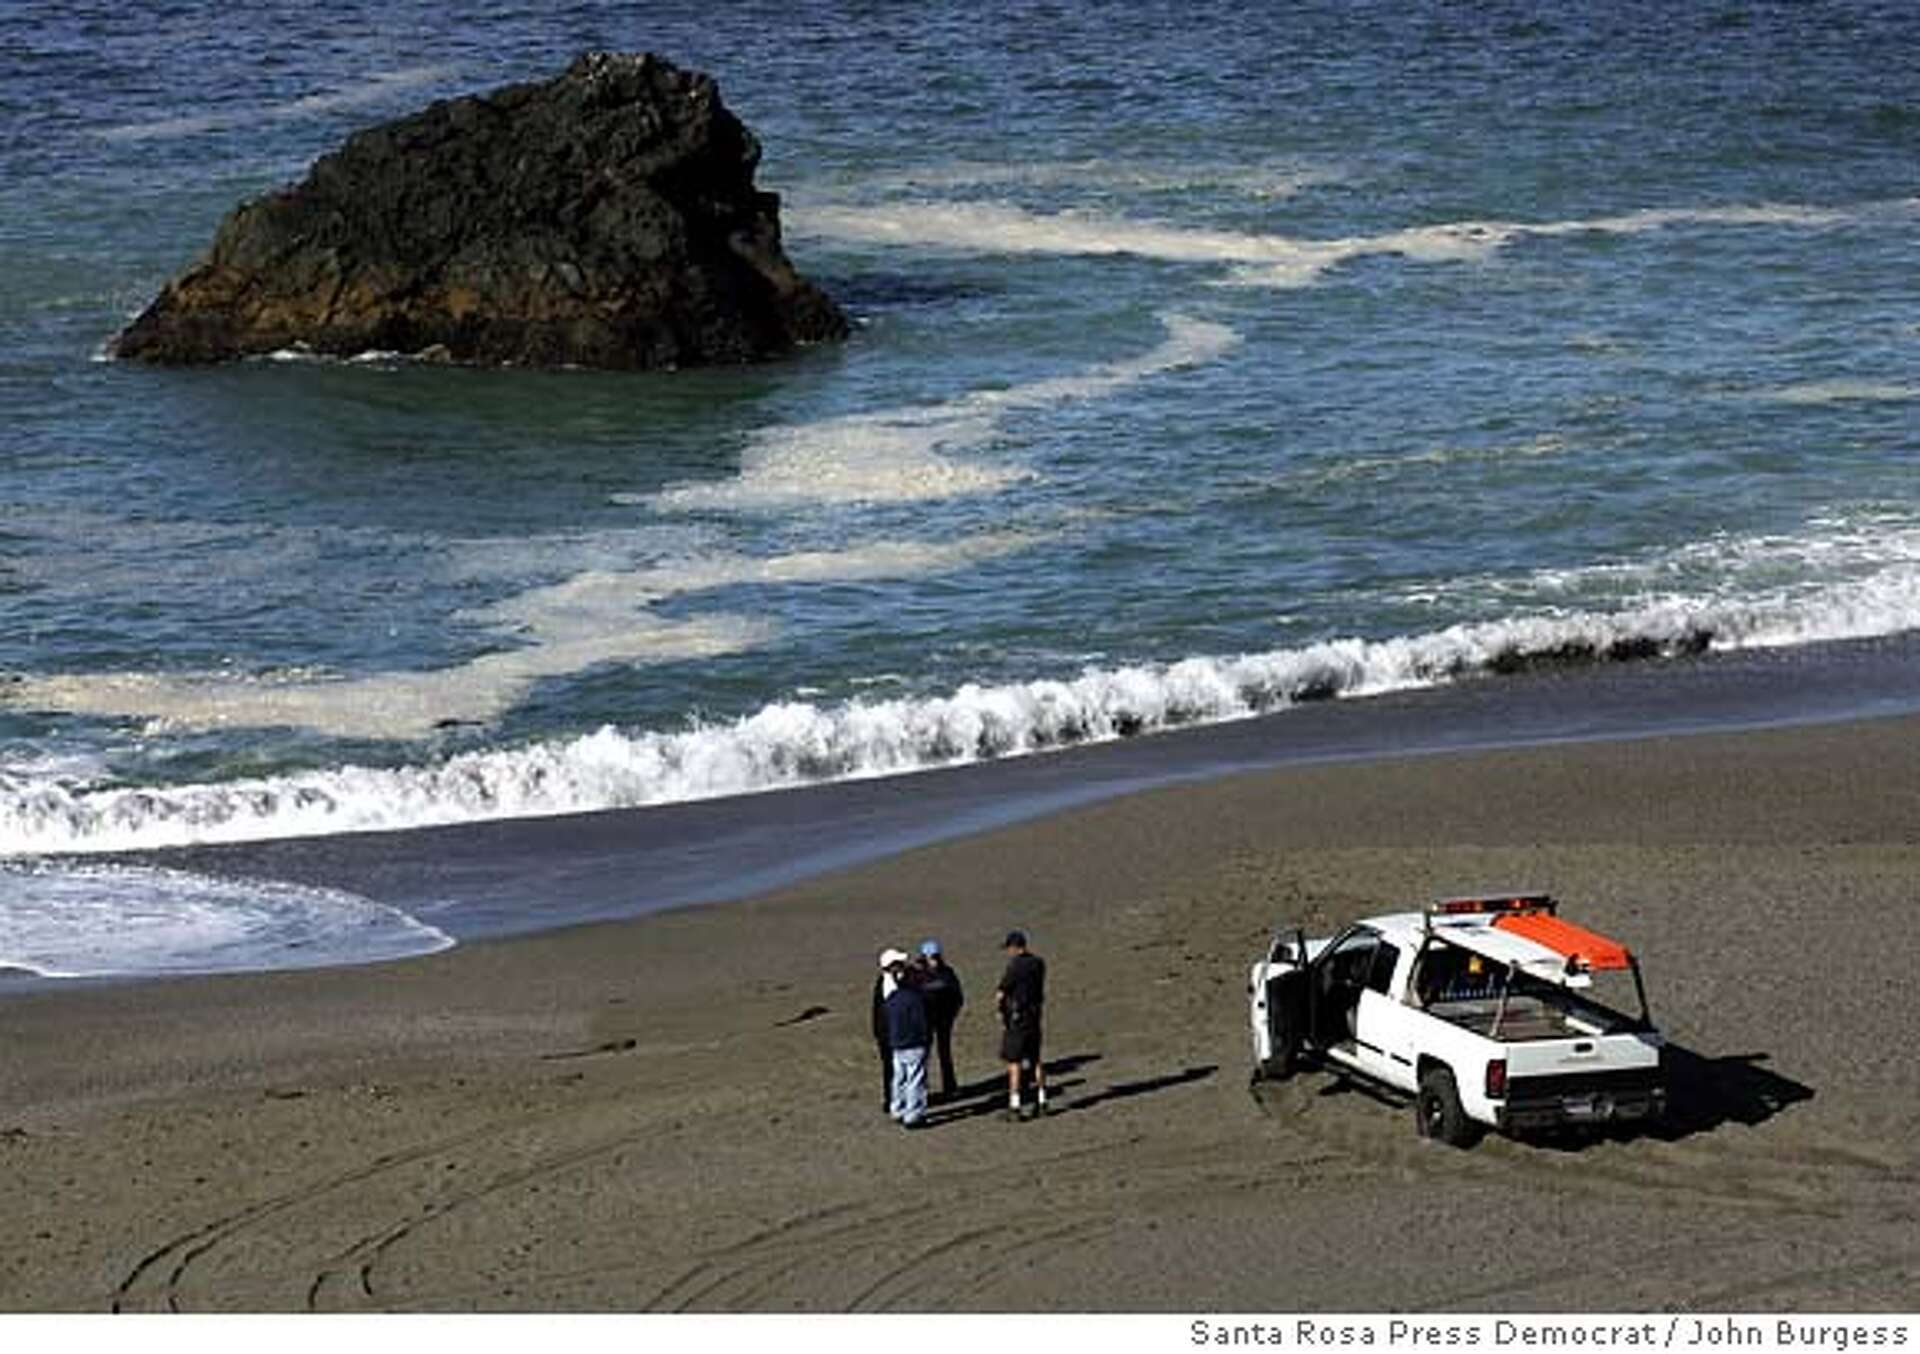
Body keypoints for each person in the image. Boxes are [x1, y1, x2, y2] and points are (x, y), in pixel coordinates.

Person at [995, 929, 1047, 1120]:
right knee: (1036, 1059)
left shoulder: (1015, 966)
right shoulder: (1038, 963)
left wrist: (1001, 1012)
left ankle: (1015, 1105)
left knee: (1014, 1061)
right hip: (1035, 1016)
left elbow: (1001, 992)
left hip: (1018, 1019)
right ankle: (1042, 1100)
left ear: (1014, 947)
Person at [883, 953, 931, 1128]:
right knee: (915, 1079)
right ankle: (913, 1115)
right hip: (914, 1042)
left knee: (899, 1078)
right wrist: (925, 1039)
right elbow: (922, 1022)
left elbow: (887, 1018)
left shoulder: (892, 998)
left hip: (897, 1043)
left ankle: (897, 1109)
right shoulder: (916, 999)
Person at [915, 939, 965, 1102]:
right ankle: (922, 1089)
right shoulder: (918, 974)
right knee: (923, 1055)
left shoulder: (947, 972)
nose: (933, 960)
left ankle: (950, 1087)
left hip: (944, 1019)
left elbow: (958, 996)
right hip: (925, 1020)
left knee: (945, 1053)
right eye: (930, 957)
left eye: (935, 957)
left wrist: (953, 1013)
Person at [871, 947, 909, 1115]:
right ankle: (893, 1099)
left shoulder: (891, 981)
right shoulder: (888, 984)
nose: (903, 965)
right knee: (892, 1068)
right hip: (889, 1034)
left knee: (897, 1068)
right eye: (899, 963)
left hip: (890, 1032)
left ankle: (896, 1099)